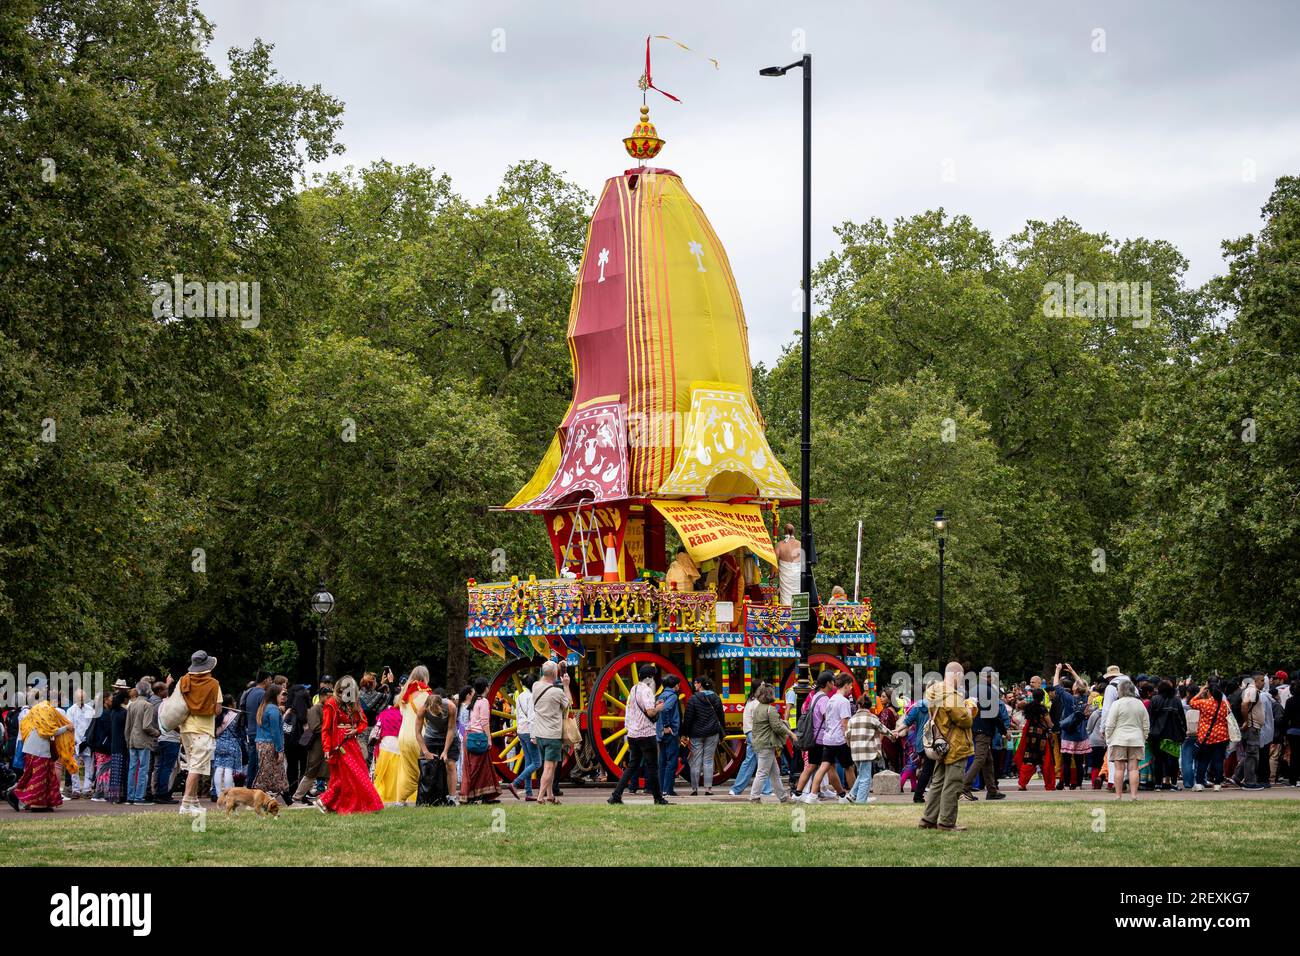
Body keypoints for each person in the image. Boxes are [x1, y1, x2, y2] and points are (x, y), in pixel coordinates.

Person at [918, 662, 975, 831]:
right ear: (957, 675)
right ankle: (946, 822)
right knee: (953, 784)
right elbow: (965, 720)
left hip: (941, 744)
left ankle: (928, 819)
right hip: (955, 745)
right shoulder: (952, 695)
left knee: (937, 782)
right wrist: (970, 706)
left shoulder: (933, 691)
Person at [316, 676, 384, 814]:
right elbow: (326, 729)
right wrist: (327, 748)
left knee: (355, 775)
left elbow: (363, 722)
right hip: (338, 745)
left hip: (351, 743)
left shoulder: (354, 703)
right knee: (347, 776)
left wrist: (355, 730)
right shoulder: (331, 704)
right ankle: (325, 801)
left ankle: (328, 803)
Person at [608, 664, 668, 805]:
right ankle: (658, 798)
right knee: (653, 766)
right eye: (653, 677)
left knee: (632, 766)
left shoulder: (633, 689)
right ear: (649, 678)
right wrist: (659, 707)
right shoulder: (647, 690)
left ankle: (616, 795)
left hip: (633, 734)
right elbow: (650, 712)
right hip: (646, 733)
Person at [7, 698, 77, 812]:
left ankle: (22, 796)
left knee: (32, 776)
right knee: (39, 778)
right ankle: (35, 804)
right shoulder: (45, 710)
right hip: (39, 750)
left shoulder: (38, 712)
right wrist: (66, 728)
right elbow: (48, 731)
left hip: (33, 749)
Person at [177, 651, 222, 817]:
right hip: (203, 730)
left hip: (186, 728)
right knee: (196, 768)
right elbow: (217, 709)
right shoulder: (213, 684)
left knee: (191, 765)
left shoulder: (184, 680)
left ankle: (194, 801)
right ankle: (186, 804)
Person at [802, 673, 854, 803]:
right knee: (849, 767)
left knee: (824, 766)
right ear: (846, 685)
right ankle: (854, 795)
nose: (851, 688)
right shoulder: (844, 701)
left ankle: (812, 795)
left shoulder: (830, 699)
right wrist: (848, 739)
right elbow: (844, 723)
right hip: (839, 739)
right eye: (850, 686)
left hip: (827, 738)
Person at [530, 660, 572, 804]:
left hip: (539, 733)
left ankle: (550, 795)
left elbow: (544, 678)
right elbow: (569, 705)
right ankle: (540, 797)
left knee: (551, 766)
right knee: (549, 767)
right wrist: (566, 685)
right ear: (555, 674)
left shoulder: (535, 687)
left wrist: (554, 669)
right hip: (552, 734)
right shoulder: (557, 692)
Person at [1103, 678, 1149, 800]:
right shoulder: (1140, 704)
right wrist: (1143, 738)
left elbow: (1110, 724)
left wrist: (1109, 739)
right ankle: (1134, 795)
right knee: (1133, 769)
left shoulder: (1116, 704)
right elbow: (1146, 724)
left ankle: (1118, 795)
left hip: (1119, 739)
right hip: (1136, 739)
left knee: (1119, 769)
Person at [963, 676, 1007, 800]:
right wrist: (1004, 731)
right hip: (984, 729)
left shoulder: (972, 690)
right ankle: (965, 787)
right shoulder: (990, 691)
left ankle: (992, 790)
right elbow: (995, 714)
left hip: (974, 727)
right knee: (980, 759)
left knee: (987, 760)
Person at [393, 666, 432, 806]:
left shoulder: (404, 694)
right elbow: (429, 717)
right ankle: (426, 797)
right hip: (418, 736)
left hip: (403, 736)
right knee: (422, 769)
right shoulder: (425, 693)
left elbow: (403, 714)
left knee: (406, 769)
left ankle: (400, 800)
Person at [749, 683, 794, 802]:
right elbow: (777, 727)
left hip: (760, 743)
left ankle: (783, 797)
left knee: (775, 772)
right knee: (763, 772)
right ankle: (754, 797)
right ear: (770, 695)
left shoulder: (758, 708)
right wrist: (790, 733)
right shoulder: (770, 709)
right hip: (767, 744)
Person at [681, 675, 725, 796]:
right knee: (708, 761)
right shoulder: (716, 697)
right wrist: (723, 731)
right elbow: (721, 716)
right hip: (712, 732)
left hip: (696, 734)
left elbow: (688, 718)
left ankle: (694, 788)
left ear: (700, 684)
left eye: (695, 683)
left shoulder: (693, 699)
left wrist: (685, 733)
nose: (694, 685)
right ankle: (708, 789)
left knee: (696, 761)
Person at [460, 676, 501, 803]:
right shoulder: (483, 702)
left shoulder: (474, 701)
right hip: (478, 737)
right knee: (477, 769)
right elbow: (484, 722)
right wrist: (489, 739)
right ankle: (469, 796)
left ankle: (481, 796)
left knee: (476, 768)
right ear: (486, 688)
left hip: (469, 735)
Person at [418, 689, 460, 804]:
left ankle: (452, 798)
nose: (434, 714)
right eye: (431, 712)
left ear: (441, 705)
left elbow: (451, 729)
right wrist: (425, 751)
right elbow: (417, 733)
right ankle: (428, 797)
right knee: (427, 765)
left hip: (450, 736)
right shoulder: (422, 709)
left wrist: (445, 751)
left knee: (450, 764)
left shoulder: (451, 707)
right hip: (431, 737)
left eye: (436, 711)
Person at [291, 683, 330, 803]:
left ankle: (331, 796)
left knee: (329, 772)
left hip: (324, 744)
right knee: (311, 772)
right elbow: (314, 727)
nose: (330, 699)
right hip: (316, 745)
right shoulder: (315, 709)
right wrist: (329, 727)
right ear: (322, 696)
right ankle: (297, 796)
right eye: (328, 697)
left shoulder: (326, 708)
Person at [1190, 680, 1231, 791]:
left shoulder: (1204, 703)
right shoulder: (1225, 704)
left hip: (1206, 736)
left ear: (1209, 693)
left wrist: (1200, 692)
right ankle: (1217, 784)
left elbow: (1191, 702)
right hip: (1221, 736)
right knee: (1218, 761)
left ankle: (1198, 784)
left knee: (1203, 760)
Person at [729, 683, 768, 797]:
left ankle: (736, 789)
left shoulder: (750, 702)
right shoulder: (757, 703)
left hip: (750, 733)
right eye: (762, 686)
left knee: (750, 761)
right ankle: (766, 789)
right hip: (756, 734)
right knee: (763, 761)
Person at [125, 679, 160, 805]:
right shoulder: (148, 705)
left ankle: (130, 796)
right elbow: (146, 726)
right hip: (144, 741)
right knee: (143, 769)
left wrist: (128, 740)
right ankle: (139, 797)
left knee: (132, 768)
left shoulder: (132, 705)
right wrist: (157, 732)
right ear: (148, 690)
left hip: (132, 740)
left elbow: (127, 727)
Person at [1013, 687, 1056, 791]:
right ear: (1042, 697)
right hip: (1041, 738)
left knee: (1029, 760)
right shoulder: (1042, 708)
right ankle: (1049, 785)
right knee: (1045, 760)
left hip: (1030, 736)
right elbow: (1049, 723)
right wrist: (1053, 727)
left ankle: (1022, 783)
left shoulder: (1028, 707)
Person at [846, 693, 886, 804]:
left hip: (855, 752)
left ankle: (852, 794)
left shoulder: (852, 719)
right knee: (865, 777)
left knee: (862, 774)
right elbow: (882, 729)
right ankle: (860, 801)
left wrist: (850, 744)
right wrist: (892, 735)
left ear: (858, 705)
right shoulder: (872, 718)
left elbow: (847, 734)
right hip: (867, 751)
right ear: (869, 706)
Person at [1148, 679, 1186, 790]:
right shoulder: (1176, 700)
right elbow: (1181, 718)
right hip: (1173, 734)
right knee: (1173, 760)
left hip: (1156, 735)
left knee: (1158, 760)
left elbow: (1150, 718)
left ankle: (1158, 784)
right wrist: (1183, 733)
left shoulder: (1154, 700)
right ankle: (1174, 784)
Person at [252, 682, 288, 798]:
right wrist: (280, 749)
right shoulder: (273, 710)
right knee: (269, 773)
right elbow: (275, 732)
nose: (282, 697)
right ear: (275, 695)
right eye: (280, 695)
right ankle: (255, 797)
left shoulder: (263, 707)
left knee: (270, 771)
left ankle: (287, 800)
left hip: (261, 743)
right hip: (270, 745)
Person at [1234, 672, 1269, 789]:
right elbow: (1244, 705)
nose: (1264, 683)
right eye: (1262, 680)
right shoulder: (1253, 690)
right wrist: (1246, 722)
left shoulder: (1249, 690)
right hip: (1252, 727)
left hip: (1252, 727)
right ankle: (1250, 782)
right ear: (1256, 681)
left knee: (1250, 753)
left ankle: (1237, 776)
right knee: (1253, 755)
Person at [509, 672, 541, 800]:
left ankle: (528, 793)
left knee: (528, 762)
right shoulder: (532, 697)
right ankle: (515, 783)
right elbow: (532, 718)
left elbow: (518, 714)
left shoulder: (520, 696)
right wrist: (534, 735)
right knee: (537, 763)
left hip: (521, 731)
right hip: (529, 731)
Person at [238, 671, 270, 792]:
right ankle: (257, 788)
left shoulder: (249, 692)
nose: (270, 682)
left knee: (252, 760)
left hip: (250, 730)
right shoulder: (262, 694)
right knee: (259, 761)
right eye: (270, 680)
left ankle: (250, 786)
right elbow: (264, 714)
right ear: (265, 680)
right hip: (260, 732)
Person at [64, 688, 96, 800]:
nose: (81, 699)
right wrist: (77, 741)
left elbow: (92, 726)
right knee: (74, 767)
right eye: (79, 697)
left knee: (89, 767)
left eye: (82, 697)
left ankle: (87, 789)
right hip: (75, 741)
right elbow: (70, 727)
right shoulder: (70, 710)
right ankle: (76, 790)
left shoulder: (90, 709)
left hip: (87, 741)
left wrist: (87, 740)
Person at [372, 702, 405, 803]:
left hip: (385, 746)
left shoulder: (384, 713)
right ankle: (397, 798)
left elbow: (378, 728)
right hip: (400, 746)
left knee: (382, 775)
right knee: (397, 775)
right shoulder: (404, 714)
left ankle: (380, 797)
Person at [657, 674, 682, 797]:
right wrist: (667, 726)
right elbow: (665, 709)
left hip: (660, 732)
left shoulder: (660, 696)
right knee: (671, 762)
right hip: (670, 732)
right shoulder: (672, 696)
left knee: (662, 761)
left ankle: (662, 789)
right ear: (675, 685)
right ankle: (667, 789)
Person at [212, 695, 242, 798]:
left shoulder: (218, 716)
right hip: (231, 745)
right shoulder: (235, 716)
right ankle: (230, 795)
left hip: (219, 744)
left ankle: (219, 794)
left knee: (219, 768)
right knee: (229, 769)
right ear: (230, 704)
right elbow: (239, 731)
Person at [107, 684, 129, 804]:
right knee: (122, 769)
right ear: (124, 700)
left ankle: (114, 795)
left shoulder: (113, 712)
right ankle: (122, 795)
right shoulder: (123, 712)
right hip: (122, 743)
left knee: (115, 769)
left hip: (113, 743)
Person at [775, 523, 801, 606]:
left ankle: (786, 616)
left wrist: (772, 576)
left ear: (784, 532)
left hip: (786, 578)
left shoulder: (779, 545)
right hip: (797, 577)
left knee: (786, 597)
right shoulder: (800, 544)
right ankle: (798, 615)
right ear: (794, 532)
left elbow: (774, 563)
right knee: (797, 595)